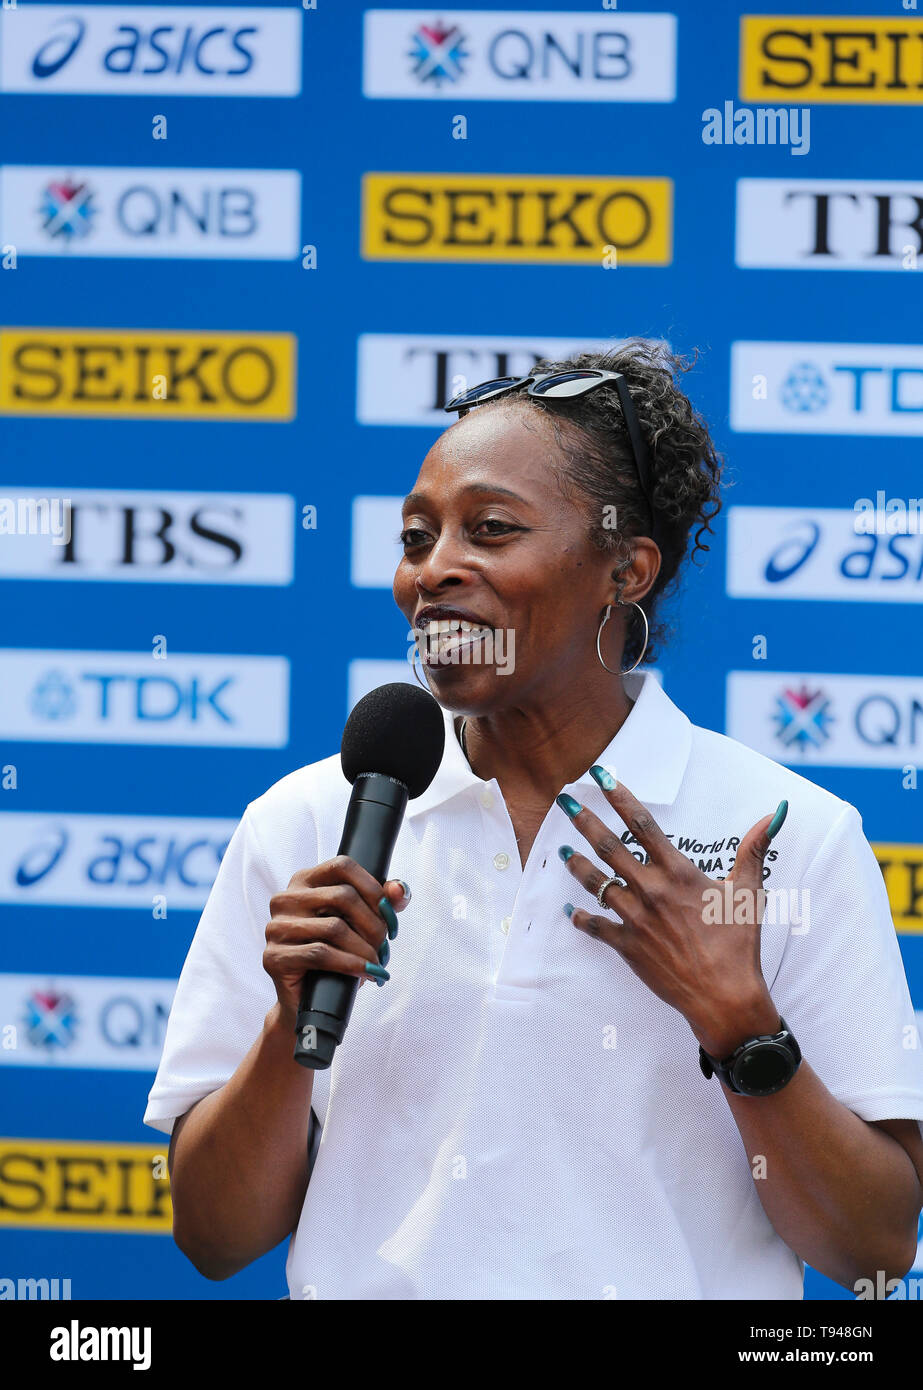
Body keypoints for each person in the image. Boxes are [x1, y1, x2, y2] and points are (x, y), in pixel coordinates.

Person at [144, 340, 923, 1300]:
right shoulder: (308, 821)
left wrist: (737, 1022)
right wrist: (283, 1026)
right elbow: (214, 1238)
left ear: (625, 570)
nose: (434, 572)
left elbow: (876, 1254)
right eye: (416, 536)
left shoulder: (787, 833)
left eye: (492, 529)